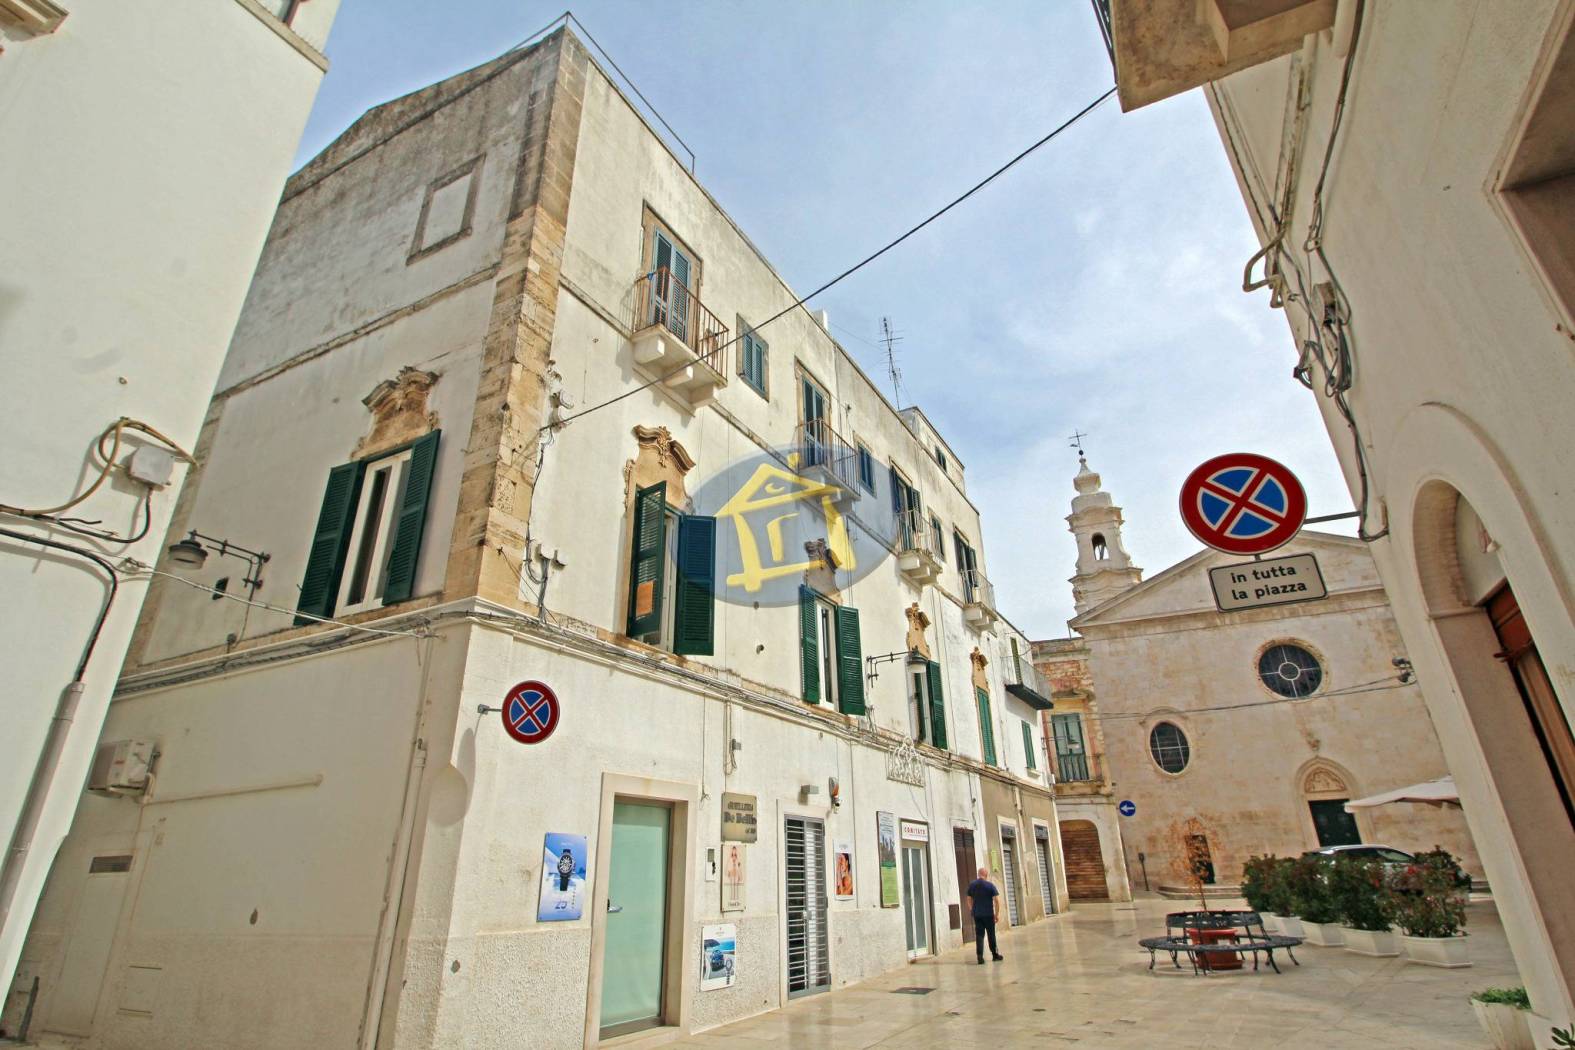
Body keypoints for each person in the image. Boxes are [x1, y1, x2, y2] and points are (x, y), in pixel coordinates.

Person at [966, 866, 1004, 964]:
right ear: (986, 875)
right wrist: (996, 914)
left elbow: (968, 899)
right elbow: (996, 901)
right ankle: (995, 955)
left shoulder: (972, 885)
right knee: (991, 935)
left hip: (977, 915)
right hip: (988, 915)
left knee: (979, 935)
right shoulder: (990, 885)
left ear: (978, 874)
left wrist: (972, 910)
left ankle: (980, 957)